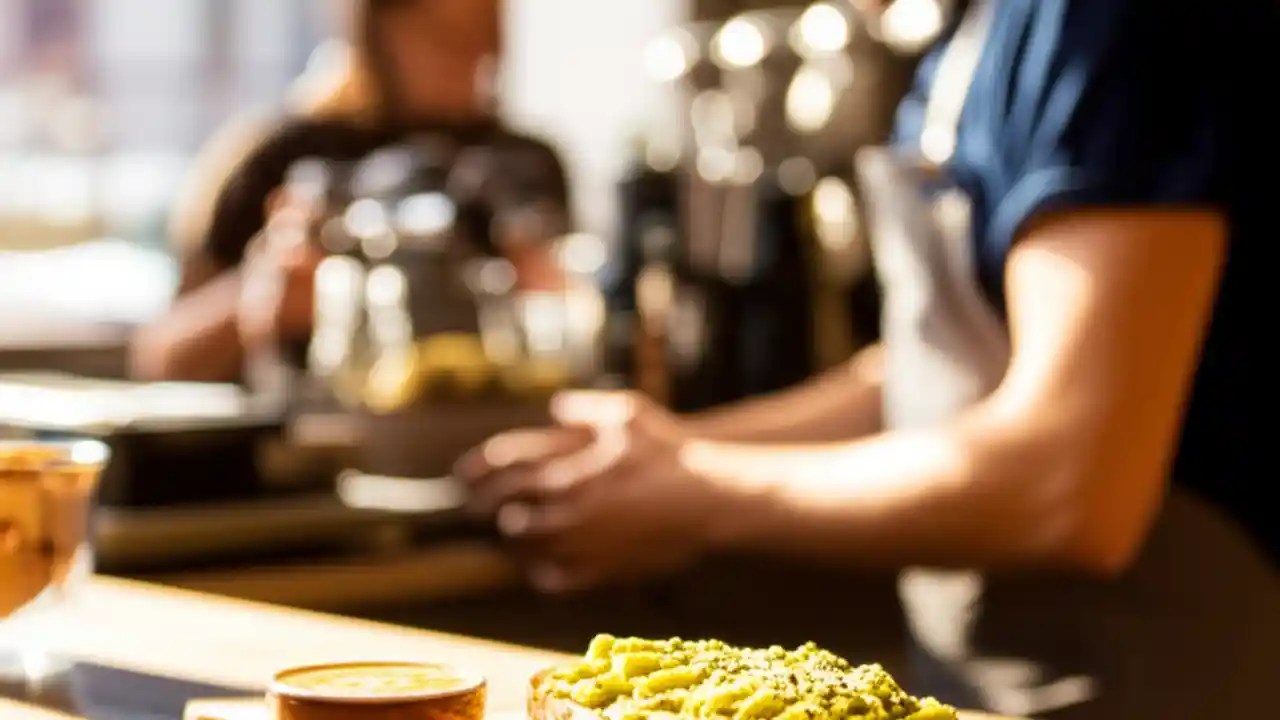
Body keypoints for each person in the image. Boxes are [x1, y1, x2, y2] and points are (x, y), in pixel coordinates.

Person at [457, 0, 1279, 717]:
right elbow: (932, 369)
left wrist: (698, 493)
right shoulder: (963, 43)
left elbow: (1073, 484)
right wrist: (661, 455)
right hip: (994, 682)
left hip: (1159, 677)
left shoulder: (1103, 25)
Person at [131, 0, 569, 383]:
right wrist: (253, 301)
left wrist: (553, 303)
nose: (478, 52)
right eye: (447, 37)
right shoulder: (284, 157)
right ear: (377, 28)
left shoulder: (528, 165)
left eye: (488, 30)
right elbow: (159, 359)